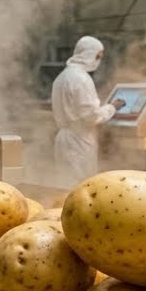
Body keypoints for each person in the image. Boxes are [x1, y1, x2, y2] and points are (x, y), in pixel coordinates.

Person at [52, 36, 125, 185]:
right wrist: (113, 107)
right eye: (98, 56)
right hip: (79, 141)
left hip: (63, 139)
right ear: (90, 54)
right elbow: (91, 117)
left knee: (64, 183)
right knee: (80, 185)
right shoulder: (82, 79)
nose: (99, 61)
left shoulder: (62, 76)